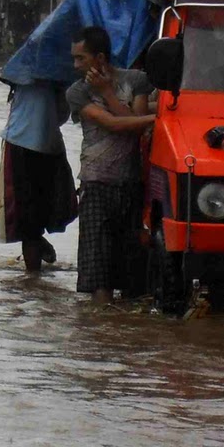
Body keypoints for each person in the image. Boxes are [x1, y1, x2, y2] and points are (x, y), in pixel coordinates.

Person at [66, 25, 154, 303]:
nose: (75, 65)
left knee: (132, 277)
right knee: (98, 277)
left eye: (81, 58)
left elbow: (134, 126)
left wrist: (107, 92)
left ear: (100, 59)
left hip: (131, 184)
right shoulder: (77, 92)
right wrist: (158, 119)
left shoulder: (136, 80)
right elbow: (116, 124)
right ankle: (100, 336)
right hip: (95, 184)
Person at [0, 81, 77, 273]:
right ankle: (33, 278)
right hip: (36, 143)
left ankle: (33, 275)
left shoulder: (24, 73)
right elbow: (62, 115)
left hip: (29, 143)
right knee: (38, 214)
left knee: (33, 214)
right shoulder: (59, 74)